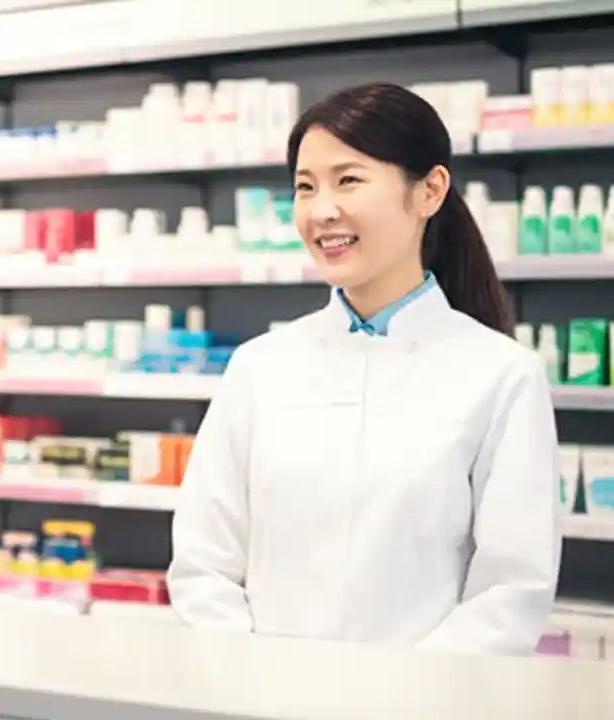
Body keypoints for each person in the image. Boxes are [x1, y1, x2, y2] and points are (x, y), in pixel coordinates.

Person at [168, 82, 561, 655]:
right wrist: (249, 685)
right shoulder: (259, 368)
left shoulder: (502, 376)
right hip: (262, 703)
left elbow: (509, 593)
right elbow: (204, 564)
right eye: (306, 187)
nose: (322, 210)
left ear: (429, 191)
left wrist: (399, 700)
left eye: (348, 180)